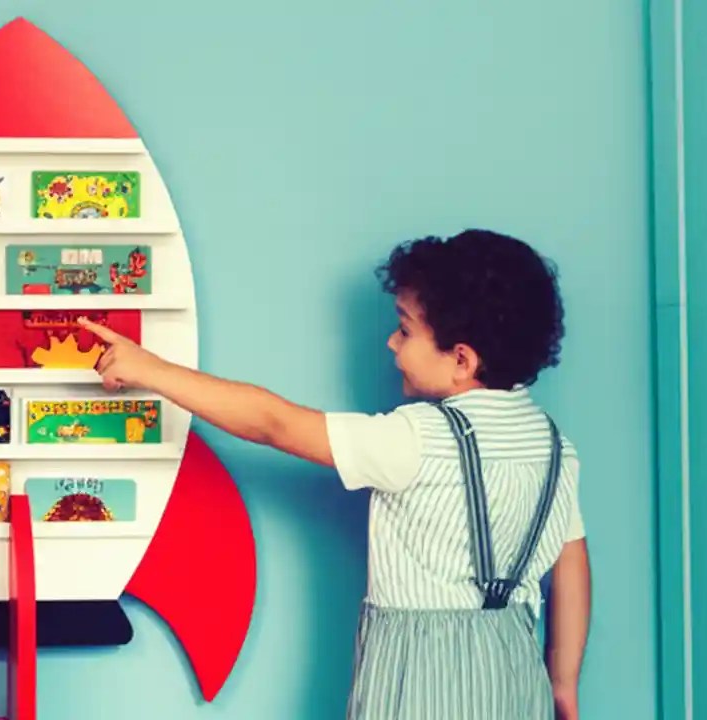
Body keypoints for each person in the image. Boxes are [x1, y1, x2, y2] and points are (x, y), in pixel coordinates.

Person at [78, 229, 592, 720]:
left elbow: (273, 424)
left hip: (419, 679)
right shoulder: (554, 448)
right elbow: (571, 561)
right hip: (516, 672)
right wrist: (563, 679)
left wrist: (150, 369)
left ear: (462, 360)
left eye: (405, 330)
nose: (391, 342)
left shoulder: (414, 438)